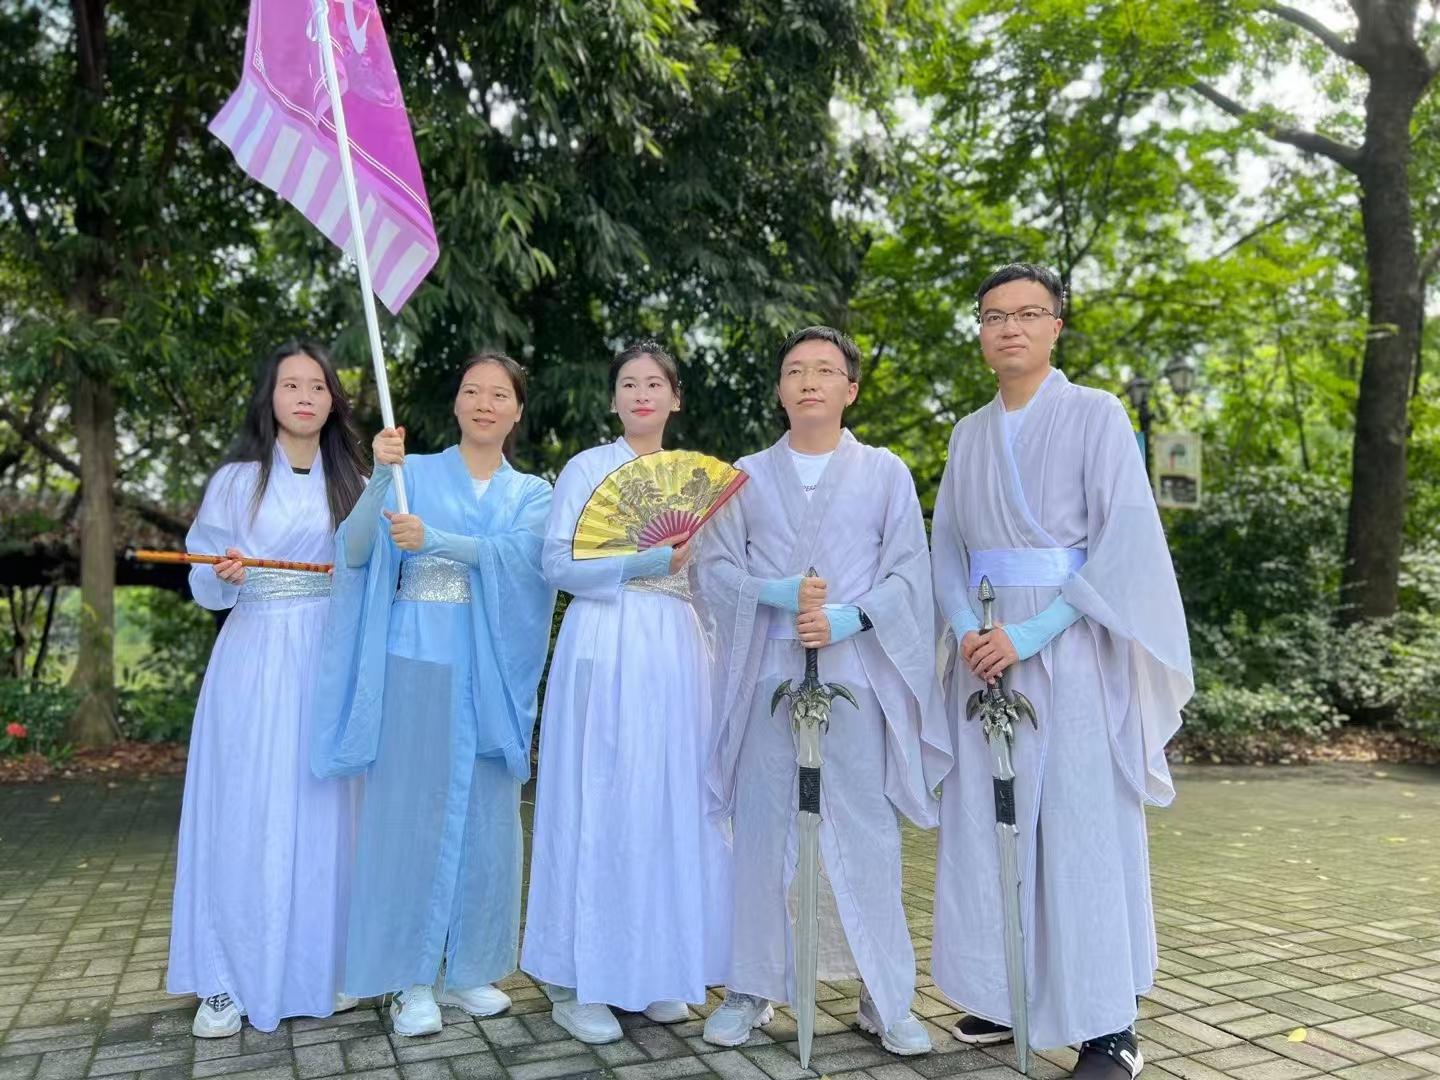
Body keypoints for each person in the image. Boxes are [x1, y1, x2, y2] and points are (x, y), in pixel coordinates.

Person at [930, 263, 1192, 1080]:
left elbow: (1122, 545)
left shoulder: (1097, 414)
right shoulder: (968, 433)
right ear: (980, 332)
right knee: (991, 824)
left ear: (1055, 326)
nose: (1009, 327)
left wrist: (1032, 631)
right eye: (994, 316)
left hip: (1070, 646)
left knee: (1080, 827)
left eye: (1027, 313)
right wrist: (970, 630)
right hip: (983, 653)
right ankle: (1004, 990)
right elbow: (947, 547)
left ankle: (1109, 1026)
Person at [696, 326, 951, 1056]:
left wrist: (851, 617)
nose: (809, 381)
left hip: (855, 675)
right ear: (779, 390)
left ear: (851, 389)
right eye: (795, 370)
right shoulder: (744, 476)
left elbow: (909, 573)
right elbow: (713, 572)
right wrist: (771, 594)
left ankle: (884, 995)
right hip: (768, 675)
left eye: (825, 370)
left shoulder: (885, 473)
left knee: (867, 833)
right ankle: (750, 988)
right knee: (762, 831)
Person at [312, 353, 555, 1038]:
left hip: (490, 667)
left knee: (486, 814)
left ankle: (468, 968)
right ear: (456, 403)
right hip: (417, 654)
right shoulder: (410, 474)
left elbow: (526, 560)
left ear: (517, 411)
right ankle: (410, 978)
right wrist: (377, 480)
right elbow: (354, 551)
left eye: (499, 394)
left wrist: (437, 539)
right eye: (472, 390)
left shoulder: (533, 492)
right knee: (410, 815)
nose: (484, 403)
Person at [522, 342, 731, 1043]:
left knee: (668, 797)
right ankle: (578, 979)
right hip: (604, 637)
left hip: (676, 647)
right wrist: (640, 561)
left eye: (655, 383)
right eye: (628, 384)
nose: (642, 393)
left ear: (675, 398)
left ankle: (654, 968)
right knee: (600, 793)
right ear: (613, 400)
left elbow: (712, 578)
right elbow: (556, 564)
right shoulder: (587, 468)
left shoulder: (694, 479)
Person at [168, 340, 366, 1037]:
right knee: (246, 807)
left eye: (318, 386)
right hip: (254, 653)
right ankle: (223, 979)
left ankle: (318, 969)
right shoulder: (236, 481)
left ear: (333, 401)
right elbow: (200, 581)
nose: (305, 396)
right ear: (270, 397)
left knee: (323, 809)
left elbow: (373, 573)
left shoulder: (355, 482)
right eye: (291, 384)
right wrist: (221, 574)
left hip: (328, 655)